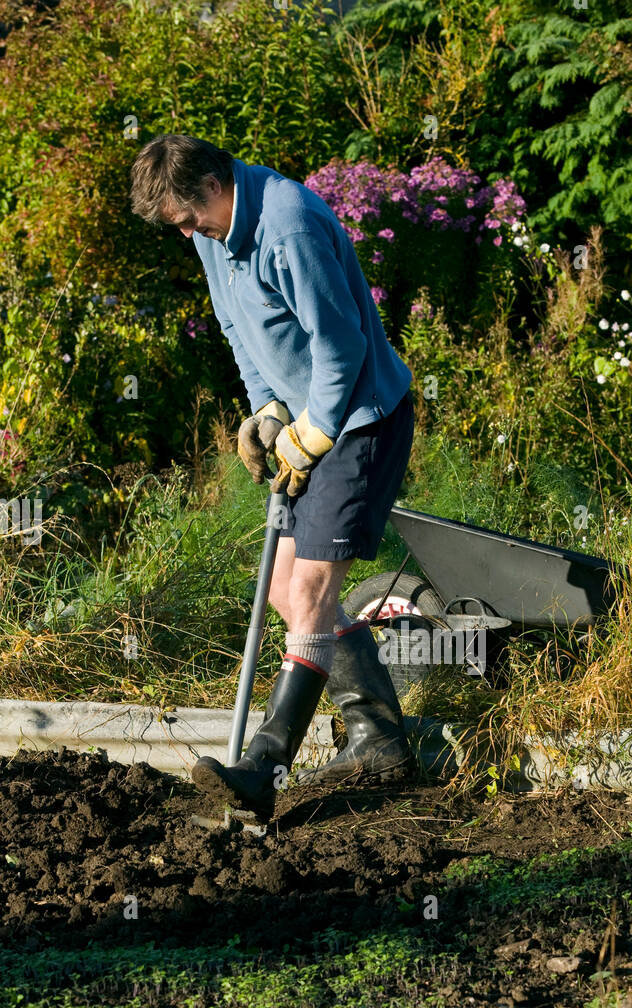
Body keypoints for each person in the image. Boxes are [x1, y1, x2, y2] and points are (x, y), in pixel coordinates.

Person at [130, 134, 415, 817]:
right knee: (290, 596)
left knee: (311, 592)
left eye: (188, 218)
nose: (187, 233)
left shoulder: (288, 226)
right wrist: (266, 408)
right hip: (307, 422)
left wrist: (311, 435)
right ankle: (379, 738)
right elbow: (236, 327)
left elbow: (341, 347)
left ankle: (262, 768)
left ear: (212, 186)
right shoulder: (211, 230)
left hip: (359, 419)